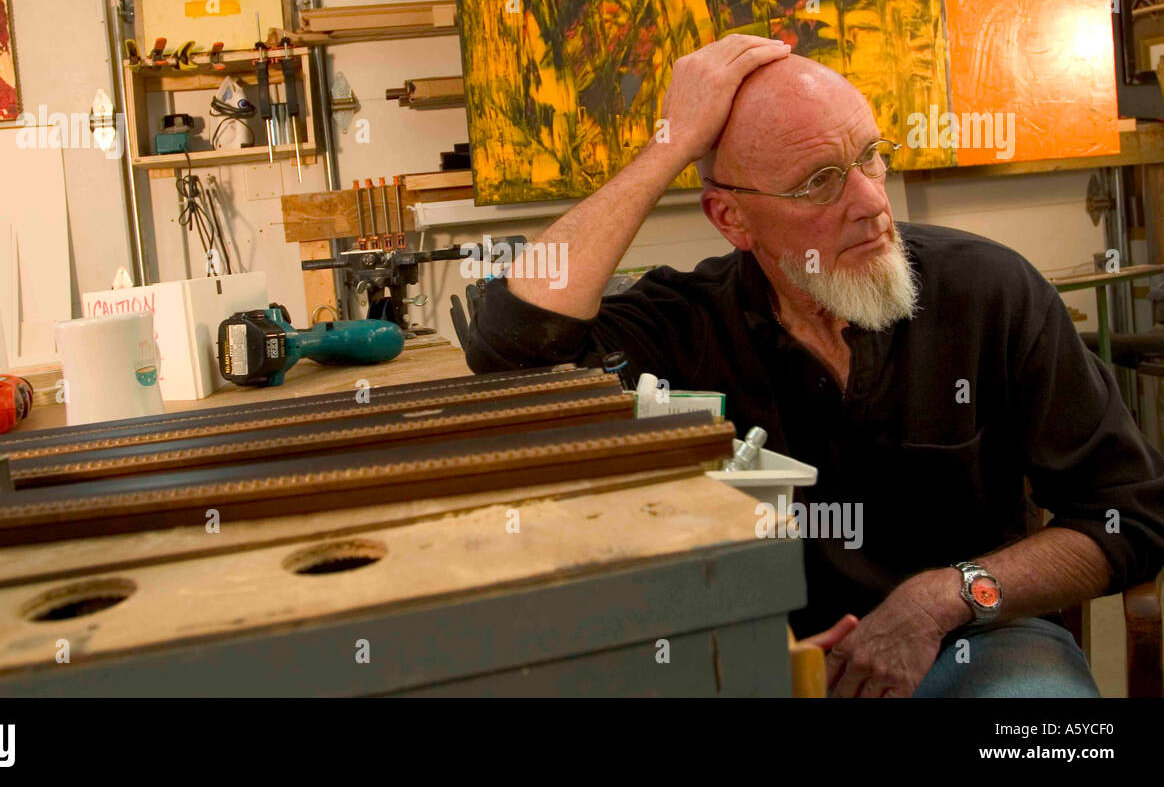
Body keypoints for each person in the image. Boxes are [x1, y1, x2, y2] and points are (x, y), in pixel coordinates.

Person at [463, 35, 1164, 697]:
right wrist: (668, 145)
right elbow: (512, 347)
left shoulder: (986, 290)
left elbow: (1129, 517)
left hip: (976, 638)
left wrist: (943, 598)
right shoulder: (685, 324)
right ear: (732, 219)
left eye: (870, 157)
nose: (871, 204)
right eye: (821, 182)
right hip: (770, 661)